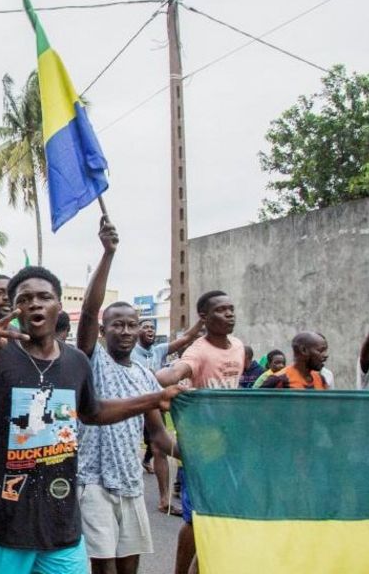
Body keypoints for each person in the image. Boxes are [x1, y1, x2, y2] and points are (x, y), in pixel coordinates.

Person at [0, 266, 184, 574]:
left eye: (44, 297)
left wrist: (153, 399)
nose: (35, 303)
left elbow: (93, 412)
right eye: (26, 298)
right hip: (0, 527)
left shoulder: (76, 362)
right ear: (15, 307)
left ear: (59, 305)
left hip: (61, 527)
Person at [76, 218, 179, 574]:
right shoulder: (94, 360)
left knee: (128, 569)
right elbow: (88, 310)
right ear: (103, 331)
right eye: (116, 325)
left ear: (140, 329)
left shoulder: (145, 377)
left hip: (132, 484)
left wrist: (192, 456)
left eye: (131, 324)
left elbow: (158, 434)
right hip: (94, 483)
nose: (125, 331)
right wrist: (108, 255)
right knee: (102, 569)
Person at [155, 290, 246, 574]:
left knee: (220, 515)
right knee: (196, 519)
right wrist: (168, 379)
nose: (229, 314)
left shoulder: (239, 346)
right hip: (201, 447)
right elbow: (168, 375)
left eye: (231, 309)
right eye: (221, 310)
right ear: (204, 318)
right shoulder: (198, 350)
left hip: (230, 445)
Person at [130, 313, 200, 515]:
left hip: (155, 404)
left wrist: (201, 322)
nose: (150, 330)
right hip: (133, 406)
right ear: (137, 332)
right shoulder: (130, 350)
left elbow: (185, 338)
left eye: (152, 328)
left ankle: (164, 500)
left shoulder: (159, 350)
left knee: (159, 446)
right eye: (145, 327)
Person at [261, 332, 329, 390]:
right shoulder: (279, 379)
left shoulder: (320, 379)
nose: (326, 355)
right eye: (320, 350)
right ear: (304, 350)